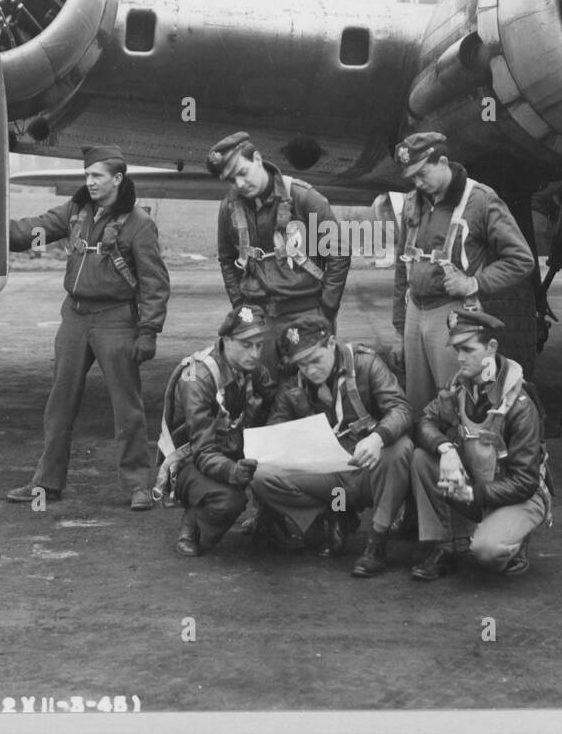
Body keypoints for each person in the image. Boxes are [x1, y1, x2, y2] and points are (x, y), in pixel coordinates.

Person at [0, 145, 170, 509]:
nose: (89, 182)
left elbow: (154, 281)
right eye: (86, 175)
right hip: (74, 318)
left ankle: (139, 484)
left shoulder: (139, 224)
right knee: (59, 403)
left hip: (117, 320)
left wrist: (149, 329)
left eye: (97, 176)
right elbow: (32, 231)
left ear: (118, 179)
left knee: (127, 407)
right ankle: (46, 483)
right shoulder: (75, 212)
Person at [250, 315, 414, 577]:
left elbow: (402, 410)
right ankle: (334, 514)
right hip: (329, 476)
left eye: (316, 360)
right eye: (302, 364)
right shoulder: (294, 383)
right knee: (261, 475)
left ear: (332, 343)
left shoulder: (365, 363)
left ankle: (377, 543)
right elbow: (275, 435)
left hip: (368, 469)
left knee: (401, 448)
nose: (311, 370)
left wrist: (377, 437)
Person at [391, 132, 535, 416]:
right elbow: (401, 265)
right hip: (414, 312)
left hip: (452, 314)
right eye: (412, 178)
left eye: (422, 173)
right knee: (417, 404)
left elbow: (521, 258)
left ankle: (459, 455)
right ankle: (425, 458)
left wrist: (474, 282)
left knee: (454, 401)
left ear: (443, 161)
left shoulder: (480, 200)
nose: (418, 183)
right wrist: (398, 326)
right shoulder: (413, 201)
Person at [408, 310, 550, 579]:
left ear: (491, 347)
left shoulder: (520, 404)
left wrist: (473, 494)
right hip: (479, 486)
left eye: (467, 350)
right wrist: (445, 449)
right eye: (457, 349)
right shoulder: (460, 387)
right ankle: (449, 544)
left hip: (519, 497)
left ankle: (514, 542)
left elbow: (525, 482)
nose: (459, 358)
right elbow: (424, 422)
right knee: (422, 459)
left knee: (487, 551)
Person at [209, 131, 350, 376]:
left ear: (258, 159)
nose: (239, 184)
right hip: (258, 318)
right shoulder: (229, 208)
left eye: (242, 172)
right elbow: (227, 260)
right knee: (265, 391)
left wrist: (326, 310)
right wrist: (241, 306)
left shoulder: (303, 197)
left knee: (309, 392)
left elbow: (338, 254)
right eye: (231, 180)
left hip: (304, 313)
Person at [164, 306, 277, 556]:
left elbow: (276, 404)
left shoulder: (252, 366)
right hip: (192, 459)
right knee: (229, 501)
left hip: (234, 447)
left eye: (259, 345)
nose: (255, 353)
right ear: (226, 340)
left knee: (335, 487)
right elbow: (202, 449)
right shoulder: (198, 378)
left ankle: (338, 519)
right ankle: (192, 523)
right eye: (247, 345)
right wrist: (233, 472)